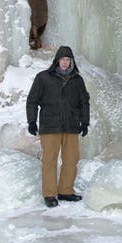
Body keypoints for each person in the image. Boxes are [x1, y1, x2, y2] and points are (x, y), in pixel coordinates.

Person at [26, 45, 90, 208]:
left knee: (71, 160)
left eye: (68, 60)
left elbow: (84, 102)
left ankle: (65, 191)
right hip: (50, 126)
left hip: (71, 126)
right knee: (50, 160)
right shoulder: (43, 78)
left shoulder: (77, 80)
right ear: (57, 60)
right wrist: (32, 121)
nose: (65, 62)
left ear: (72, 62)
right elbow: (32, 100)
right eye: (62, 59)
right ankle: (49, 194)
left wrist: (85, 122)